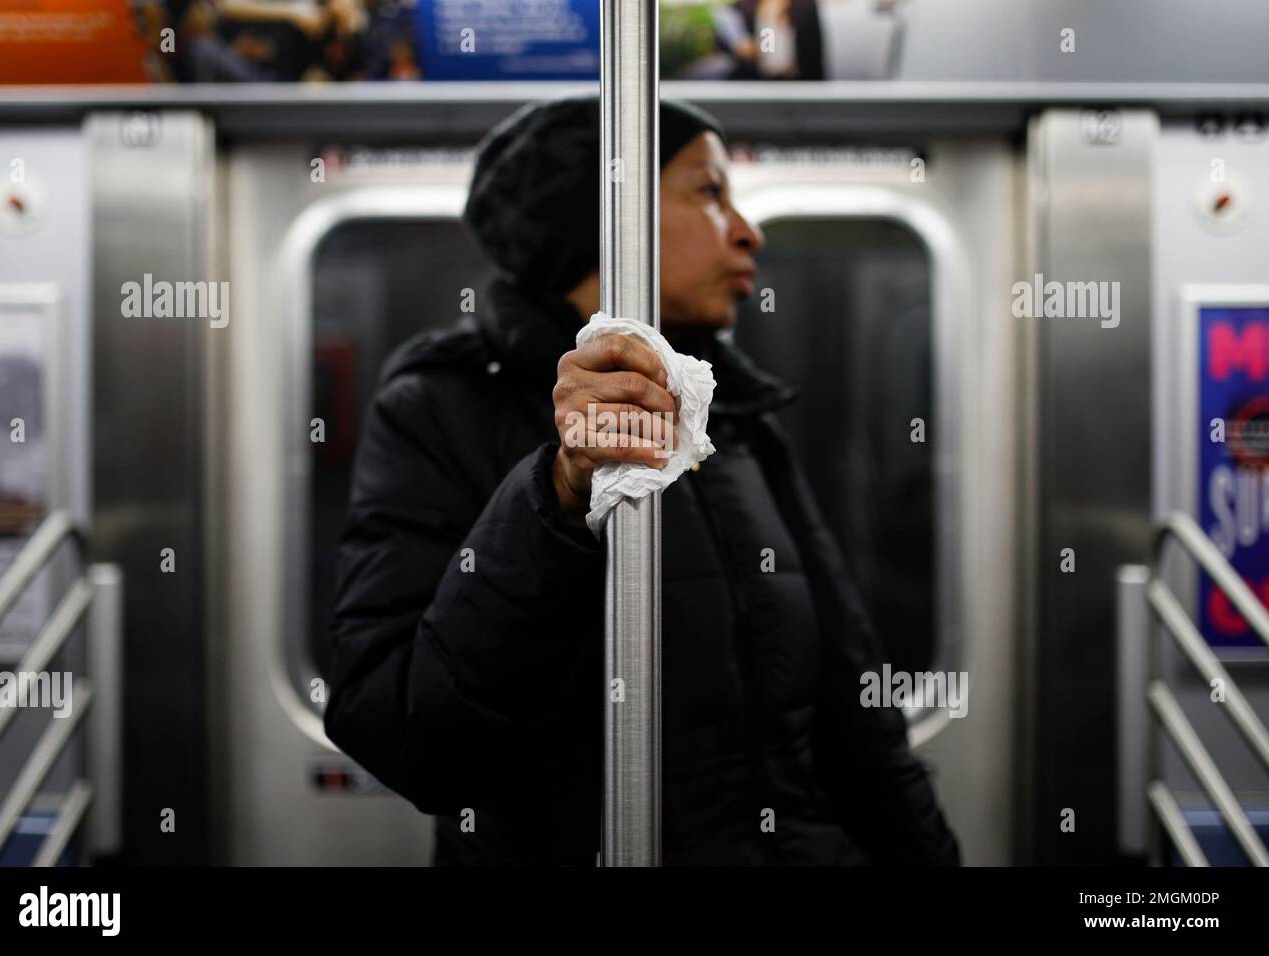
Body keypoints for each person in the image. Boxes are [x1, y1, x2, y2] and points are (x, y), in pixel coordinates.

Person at [323, 94, 960, 866]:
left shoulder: (740, 417)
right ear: (608, 222)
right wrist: (555, 496)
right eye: (709, 191)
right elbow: (406, 733)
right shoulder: (441, 407)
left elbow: (856, 722)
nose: (748, 230)